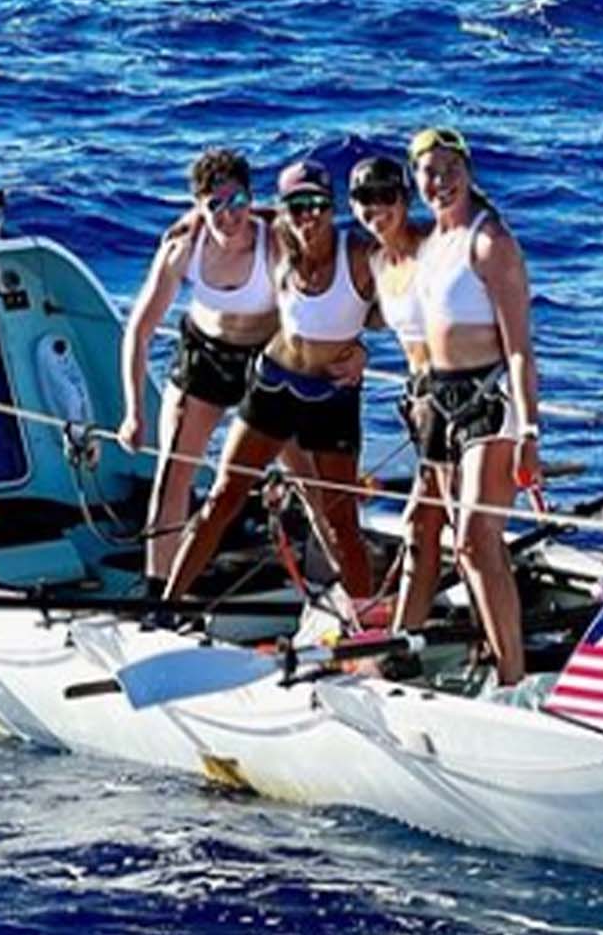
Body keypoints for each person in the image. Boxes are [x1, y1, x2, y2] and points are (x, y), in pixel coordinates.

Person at [162, 159, 378, 602]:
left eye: (318, 205)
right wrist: (192, 219)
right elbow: (243, 212)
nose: (308, 217)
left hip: (333, 396)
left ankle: (366, 622)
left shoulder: (358, 254)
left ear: (333, 206)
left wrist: (362, 350)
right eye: (297, 206)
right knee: (223, 498)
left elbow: (401, 301)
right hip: (274, 384)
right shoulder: (278, 237)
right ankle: (165, 605)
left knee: (340, 520)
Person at [409, 127, 540, 685]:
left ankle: (514, 679)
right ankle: (489, 652)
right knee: (458, 547)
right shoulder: (430, 244)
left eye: (451, 170)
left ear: (468, 171)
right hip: (439, 402)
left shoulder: (490, 244)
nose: (441, 182)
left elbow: (519, 348)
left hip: (488, 402)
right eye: (429, 172)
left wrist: (529, 431)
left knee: (475, 539)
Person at [118, 148, 276, 589]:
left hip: (264, 360)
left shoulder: (275, 241)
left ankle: (332, 584)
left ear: (251, 199)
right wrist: (134, 413)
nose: (229, 216)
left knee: (306, 471)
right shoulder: (183, 249)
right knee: (173, 476)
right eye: (215, 205)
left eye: (237, 202)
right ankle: (159, 592)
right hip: (204, 360)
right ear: (199, 207)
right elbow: (139, 332)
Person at [347, 154, 446, 633]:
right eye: (364, 198)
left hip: (461, 401)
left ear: (406, 199)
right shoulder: (375, 259)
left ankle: (497, 650)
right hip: (422, 405)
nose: (376, 207)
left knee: (447, 526)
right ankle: (406, 636)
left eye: (387, 196)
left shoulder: (435, 247)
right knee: (425, 524)